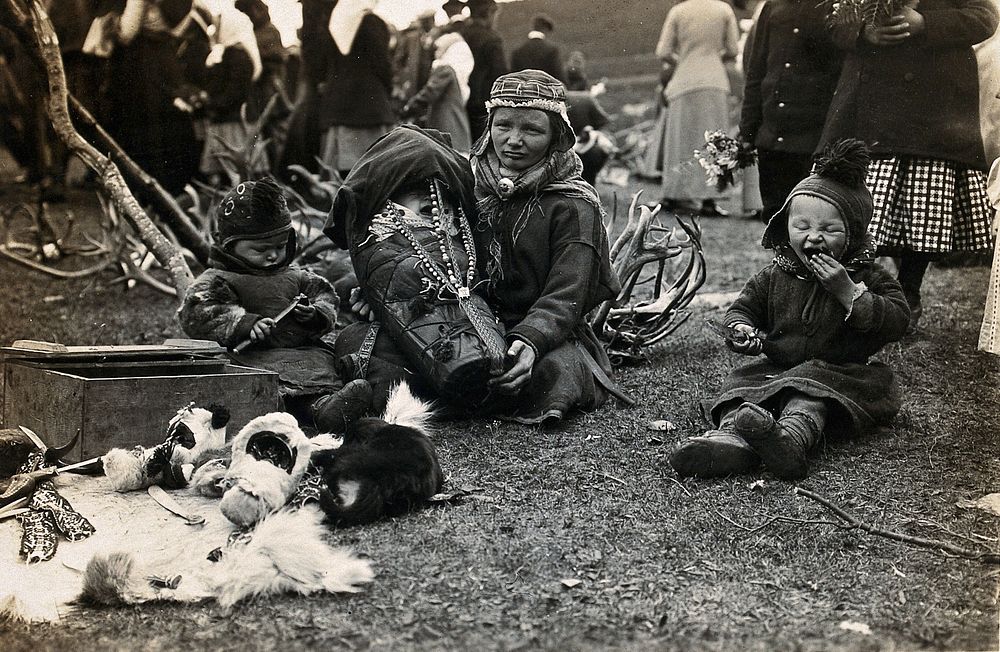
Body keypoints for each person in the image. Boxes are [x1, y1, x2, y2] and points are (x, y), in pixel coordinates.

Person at [668, 140, 910, 480]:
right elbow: (742, 310)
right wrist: (741, 330)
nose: (813, 238)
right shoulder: (776, 274)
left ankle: (789, 440)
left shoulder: (868, 275)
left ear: (853, 234)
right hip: (778, 368)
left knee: (808, 394)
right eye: (802, 227)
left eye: (829, 230)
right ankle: (730, 440)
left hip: (841, 374)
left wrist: (849, 292)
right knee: (740, 387)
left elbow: (898, 320)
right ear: (786, 227)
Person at [817, 0, 999, 332]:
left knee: (925, 213)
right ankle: (855, 289)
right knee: (863, 207)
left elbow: (985, 17)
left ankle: (907, 292)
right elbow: (829, 18)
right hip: (870, 101)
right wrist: (862, 31)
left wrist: (925, 23)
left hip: (933, 106)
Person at [469, 69, 624, 424]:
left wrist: (532, 339)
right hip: (476, 325)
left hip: (546, 333)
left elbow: (568, 290)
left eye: (532, 130)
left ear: (557, 137)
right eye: (503, 125)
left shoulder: (573, 204)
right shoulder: (473, 188)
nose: (513, 140)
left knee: (554, 372)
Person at [178, 178, 372, 432]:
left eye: (280, 246)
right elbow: (197, 311)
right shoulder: (218, 279)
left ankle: (324, 409)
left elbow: (325, 294)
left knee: (319, 377)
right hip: (250, 357)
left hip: (303, 354)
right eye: (260, 249)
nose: (273, 255)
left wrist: (315, 314)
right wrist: (243, 323)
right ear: (230, 246)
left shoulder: (296, 276)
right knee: (259, 387)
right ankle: (273, 412)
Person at [739, 0, 843, 225]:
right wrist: (747, 131)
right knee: (775, 216)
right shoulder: (772, 6)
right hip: (771, 138)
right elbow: (756, 71)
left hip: (811, 140)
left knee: (808, 222)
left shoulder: (834, 7)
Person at [654, 0, 740, 216]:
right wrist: (712, 59)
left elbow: (663, 51)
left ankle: (673, 196)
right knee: (715, 140)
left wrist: (684, 60)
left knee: (679, 141)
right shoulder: (723, 9)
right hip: (714, 80)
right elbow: (733, 49)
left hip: (684, 80)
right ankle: (710, 200)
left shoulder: (678, 11)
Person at [319, 0, 396, 178]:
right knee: (375, 165)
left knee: (343, 170)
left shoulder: (335, 24)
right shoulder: (372, 22)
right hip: (370, 104)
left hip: (339, 105)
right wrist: (388, 89)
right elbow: (382, 63)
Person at [196, 7, 266, 182]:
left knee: (236, 171)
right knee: (228, 170)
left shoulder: (238, 55)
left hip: (233, 122)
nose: (216, 29)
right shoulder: (226, 53)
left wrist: (211, 103)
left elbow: (235, 92)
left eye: (219, 25)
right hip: (225, 120)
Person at [401, 31, 475, 155]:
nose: (436, 52)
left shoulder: (444, 69)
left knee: (446, 153)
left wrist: (409, 107)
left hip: (446, 122)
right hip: (453, 122)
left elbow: (430, 92)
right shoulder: (454, 70)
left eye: (440, 48)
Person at [460, 0, 508, 141]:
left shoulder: (461, 34)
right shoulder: (492, 38)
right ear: (488, 13)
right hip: (483, 103)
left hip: (460, 101)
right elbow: (500, 73)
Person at [565, 85, 613, 185]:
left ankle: (587, 185)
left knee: (596, 152)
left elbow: (604, 124)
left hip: (583, 147)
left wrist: (594, 136)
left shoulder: (584, 100)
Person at [509, 14, 566, 83]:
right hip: (545, 92)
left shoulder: (517, 51)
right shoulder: (552, 51)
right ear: (546, 30)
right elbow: (558, 76)